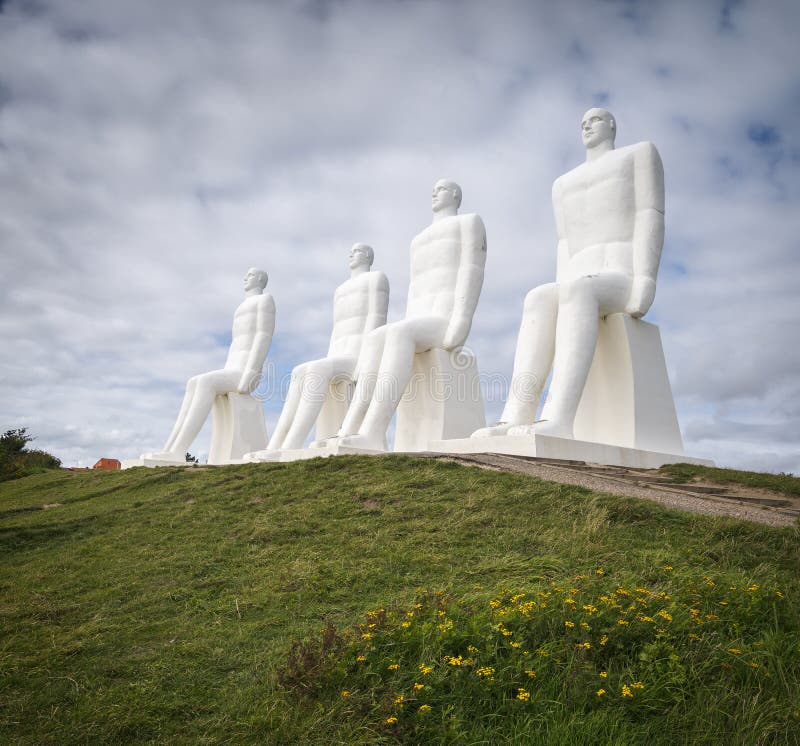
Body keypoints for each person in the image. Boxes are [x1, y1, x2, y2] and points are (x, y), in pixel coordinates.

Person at [473, 108, 664, 440]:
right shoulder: (563, 184)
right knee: (539, 297)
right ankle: (516, 413)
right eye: (583, 123)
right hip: (580, 279)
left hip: (619, 275)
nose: (588, 125)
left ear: (613, 125)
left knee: (578, 292)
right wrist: (561, 289)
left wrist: (645, 279)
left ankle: (557, 418)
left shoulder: (639, 155)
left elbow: (650, 216)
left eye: (596, 120)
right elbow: (564, 244)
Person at [323, 179, 486, 452]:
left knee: (398, 333)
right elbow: (415, 288)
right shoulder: (418, 240)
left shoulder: (469, 222)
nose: (435, 192)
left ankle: (373, 431)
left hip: (443, 319)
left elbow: (472, 270)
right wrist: (409, 322)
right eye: (433, 189)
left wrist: (461, 320)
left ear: (456, 195)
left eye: (443, 189)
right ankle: (349, 428)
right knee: (377, 336)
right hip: (421, 319)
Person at [250, 244, 388, 456]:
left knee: (316, 370)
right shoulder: (340, 290)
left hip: (356, 356)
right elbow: (336, 329)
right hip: (338, 355)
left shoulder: (376, 279)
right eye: (350, 251)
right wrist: (329, 357)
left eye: (357, 251)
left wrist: (365, 361)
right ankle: (275, 444)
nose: (351, 254)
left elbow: (375, 320)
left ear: (368, 256)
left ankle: (291, 445)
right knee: (298, 372)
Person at [145, 268, 275, 460]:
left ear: (261, 279)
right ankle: (170, 447)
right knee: (193, 382)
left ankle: (178, 450)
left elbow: (263, 336)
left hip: (245, 371)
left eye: (250, 275)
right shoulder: (241, 308)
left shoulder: (265, 300)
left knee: (206, 382)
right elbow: (236, 343)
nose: (245, 278)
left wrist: (252, 370)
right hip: (232, 367)